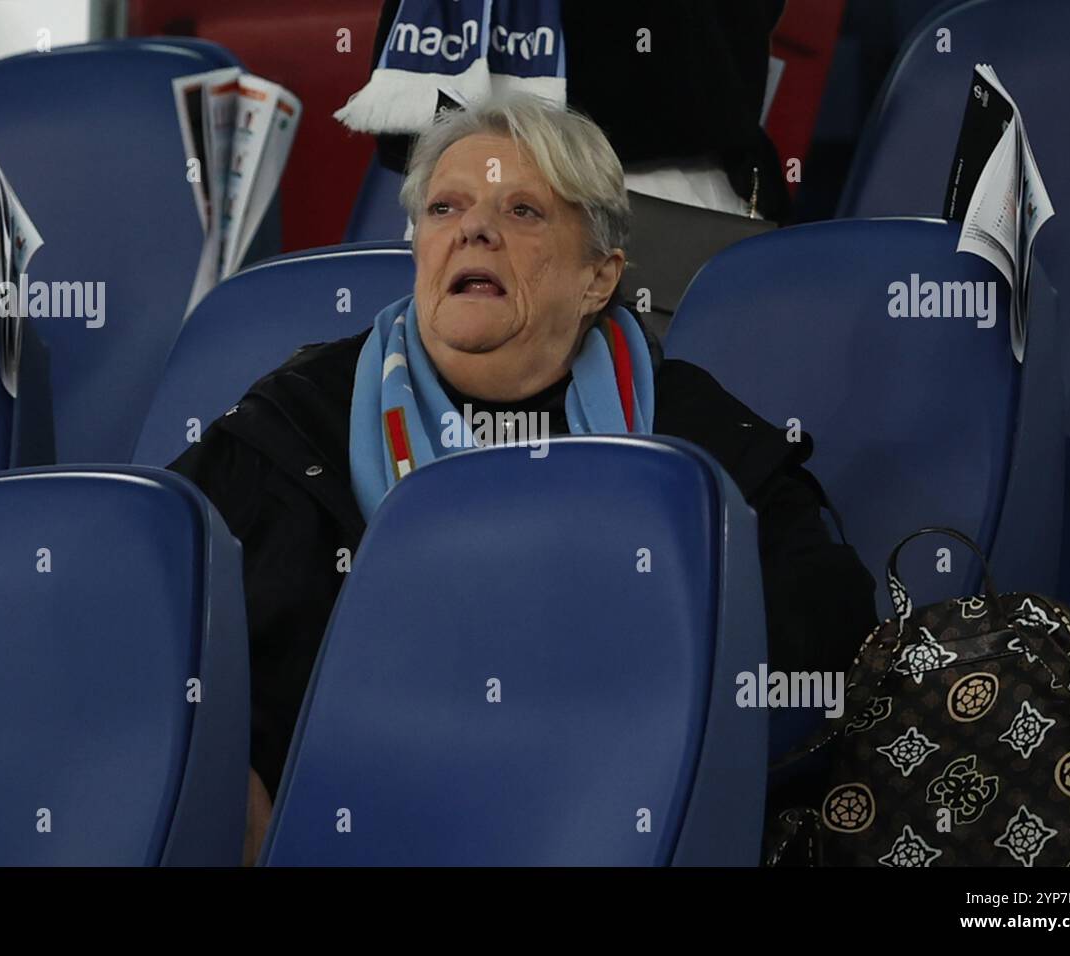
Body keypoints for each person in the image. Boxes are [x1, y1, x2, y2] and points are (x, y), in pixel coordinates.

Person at [169, 93, 877, 863]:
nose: (474, 228)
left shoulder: (691, 437)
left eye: (524, 212)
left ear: (597, 279)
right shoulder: (300, 420)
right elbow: (143, 612)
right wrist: (223, 786)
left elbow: (823, 627)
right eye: (445, 207)